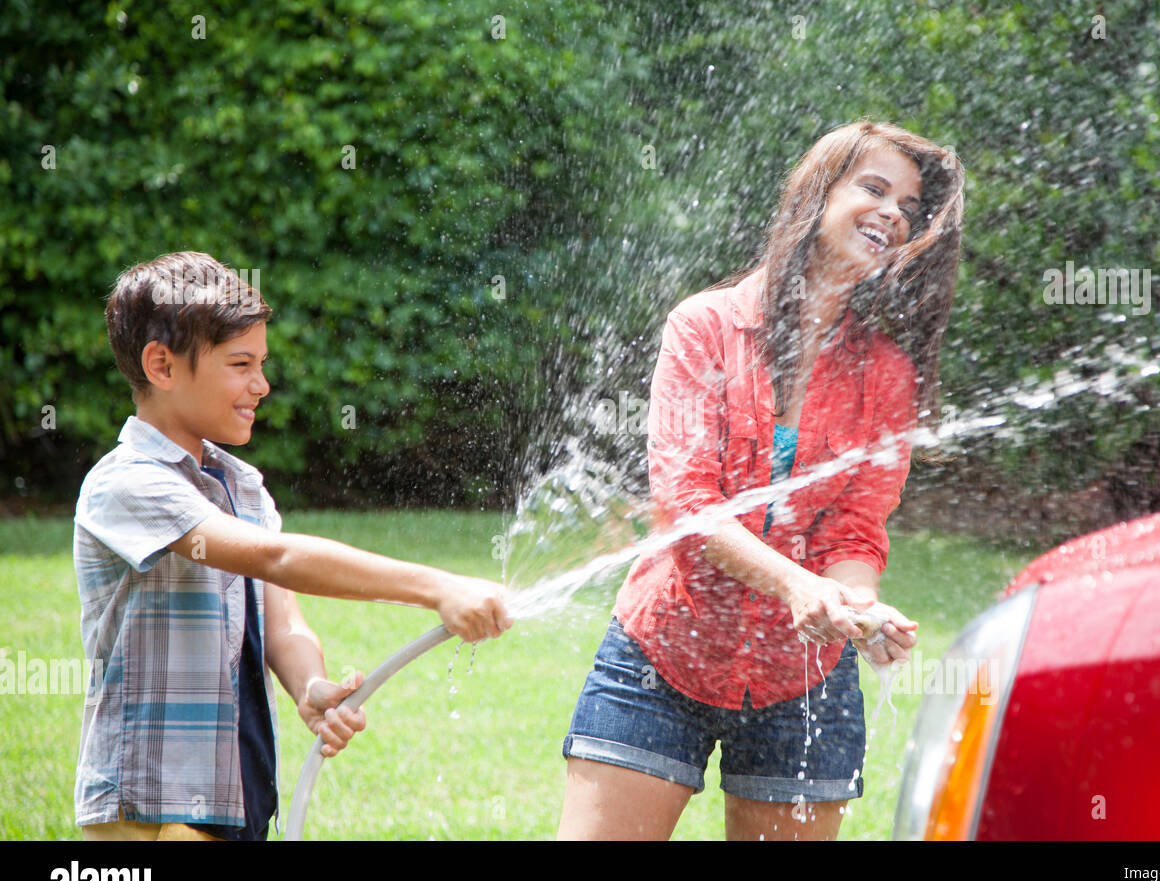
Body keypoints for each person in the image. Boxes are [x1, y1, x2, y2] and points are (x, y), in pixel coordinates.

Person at [558, 120, 964, 840]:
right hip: (663, 655)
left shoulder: (887, 374)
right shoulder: (705, 327)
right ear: (818, 193)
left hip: (804, 681)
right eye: (873, 188)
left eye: (907, 207)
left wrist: (856, 608)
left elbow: (855, 527)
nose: (893, 214)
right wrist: (798, 586)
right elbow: (687, 505)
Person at [74, 251, 511, 840]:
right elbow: (274, 557)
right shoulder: (126, 483)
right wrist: (438, 587)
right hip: (154, 808)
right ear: (162, 365)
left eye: (262, 363)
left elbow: (282, 624)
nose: (262, 384)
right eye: (240, 364)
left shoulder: (244, 488)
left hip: (239, 795)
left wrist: (310, 686)